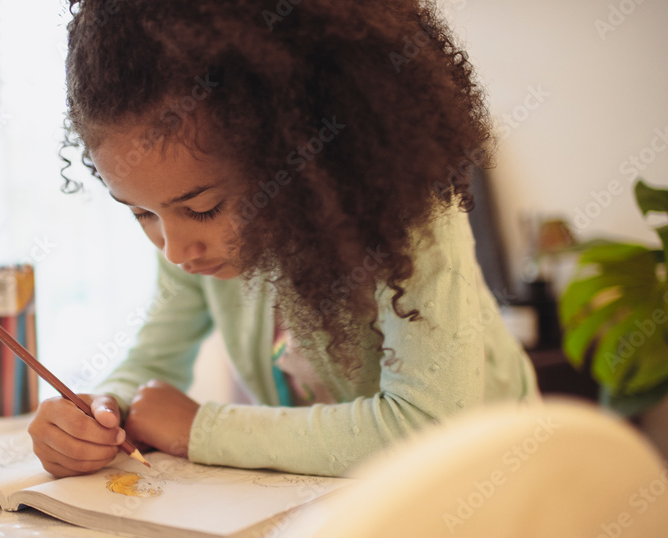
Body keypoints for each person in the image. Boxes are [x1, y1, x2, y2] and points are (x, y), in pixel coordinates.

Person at [28, 0, 539, 478]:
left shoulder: (406, 212)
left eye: (203, 208)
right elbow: (153, 364)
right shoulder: (185, 238)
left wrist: (200, 429)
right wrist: (99, 413)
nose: (175, 249)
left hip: (495, 492)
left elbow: (431, 427)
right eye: (141, 213)